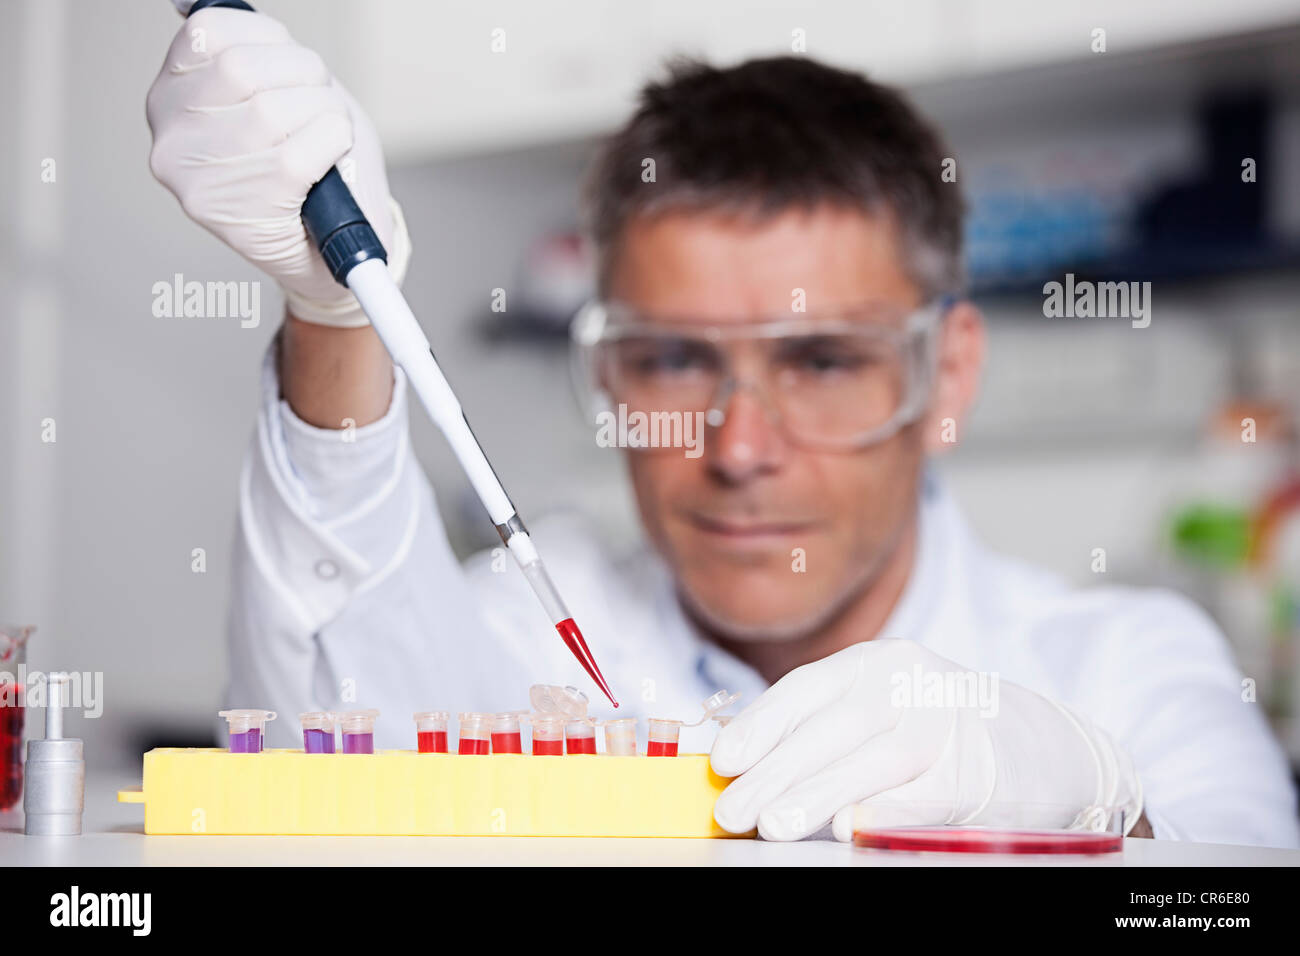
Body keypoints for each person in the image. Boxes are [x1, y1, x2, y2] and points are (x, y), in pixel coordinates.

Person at [146, 7, 1299, 845]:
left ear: (946, 376)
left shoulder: (1122, 664)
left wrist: (1110, 811)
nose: (739, 446)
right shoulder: (535, 642)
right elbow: (317, 759)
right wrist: (335, 311)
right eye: (673, 358)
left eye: (821, 360)